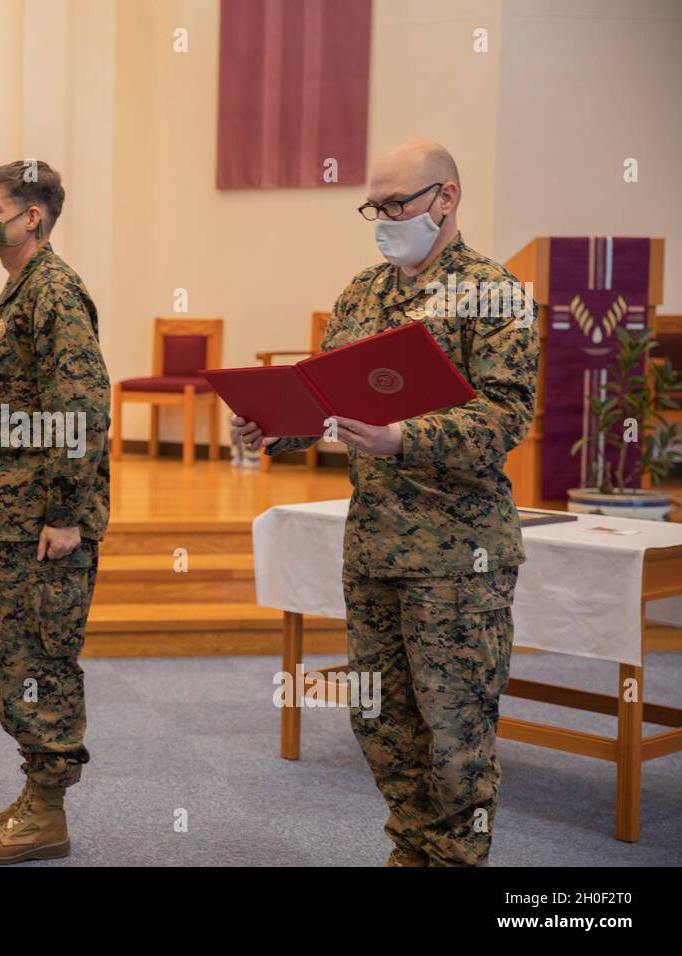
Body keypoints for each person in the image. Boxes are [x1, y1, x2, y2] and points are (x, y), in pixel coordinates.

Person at [233, 139, 538, 866]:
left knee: (455, 732)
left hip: (456, 558)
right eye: (375, 205)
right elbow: (323, 400)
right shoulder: (362, 293)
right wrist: (272, 426)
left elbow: (506, 416)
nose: (384, 217)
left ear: (446, 198)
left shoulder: (493, 293)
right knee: (380, 721)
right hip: (375, 546)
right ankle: (411, 848)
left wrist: (405, 436)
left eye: (397, 204)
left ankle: (458, 859)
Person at [0, 159, 111, 864]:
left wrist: (66, 512)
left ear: (31, 219)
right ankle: (34, 794)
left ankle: (47, 813)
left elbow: (79, 409)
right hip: (8, 517)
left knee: (41, 662)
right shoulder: (22, 290)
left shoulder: (54, 291)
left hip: (41, 522)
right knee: (14, 659)